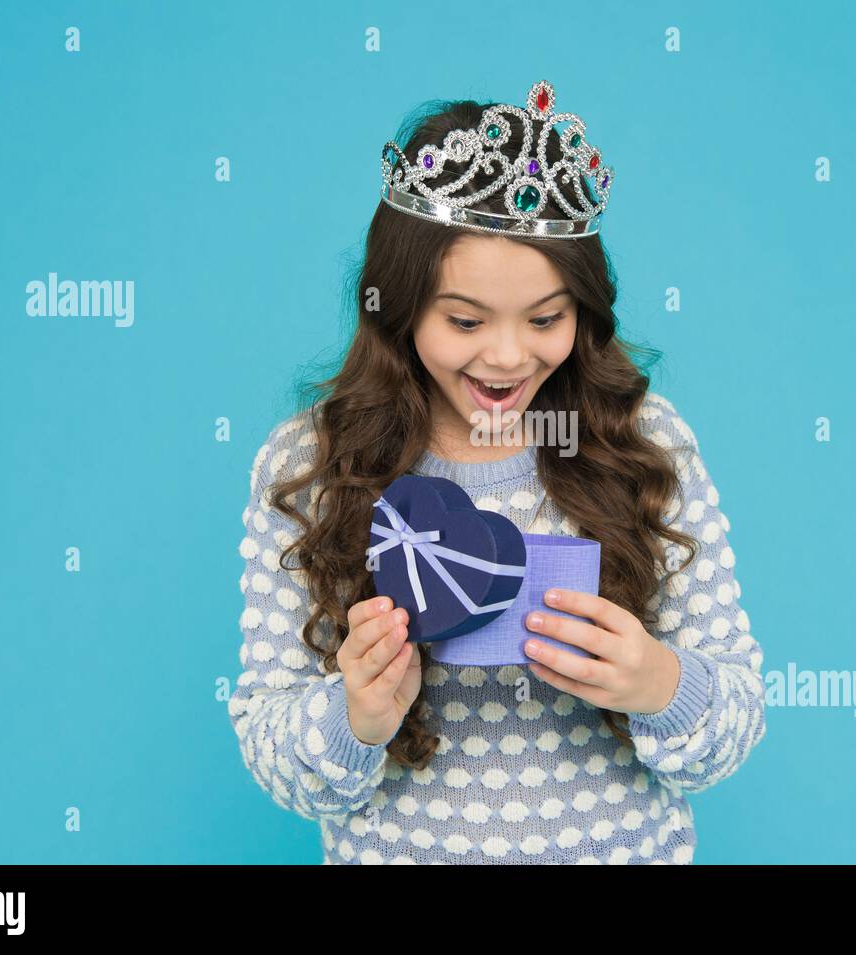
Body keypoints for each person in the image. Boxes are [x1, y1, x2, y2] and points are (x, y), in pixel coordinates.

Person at [228, 80, 766, 864]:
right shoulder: (313, 466)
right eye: (466, 320)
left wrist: (656, 682)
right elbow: (272, 747)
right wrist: (355, 716)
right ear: (400, 308)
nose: (509, 357)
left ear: (582, 311)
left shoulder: (641, 442)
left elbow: (736, 722)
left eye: (546, 318)